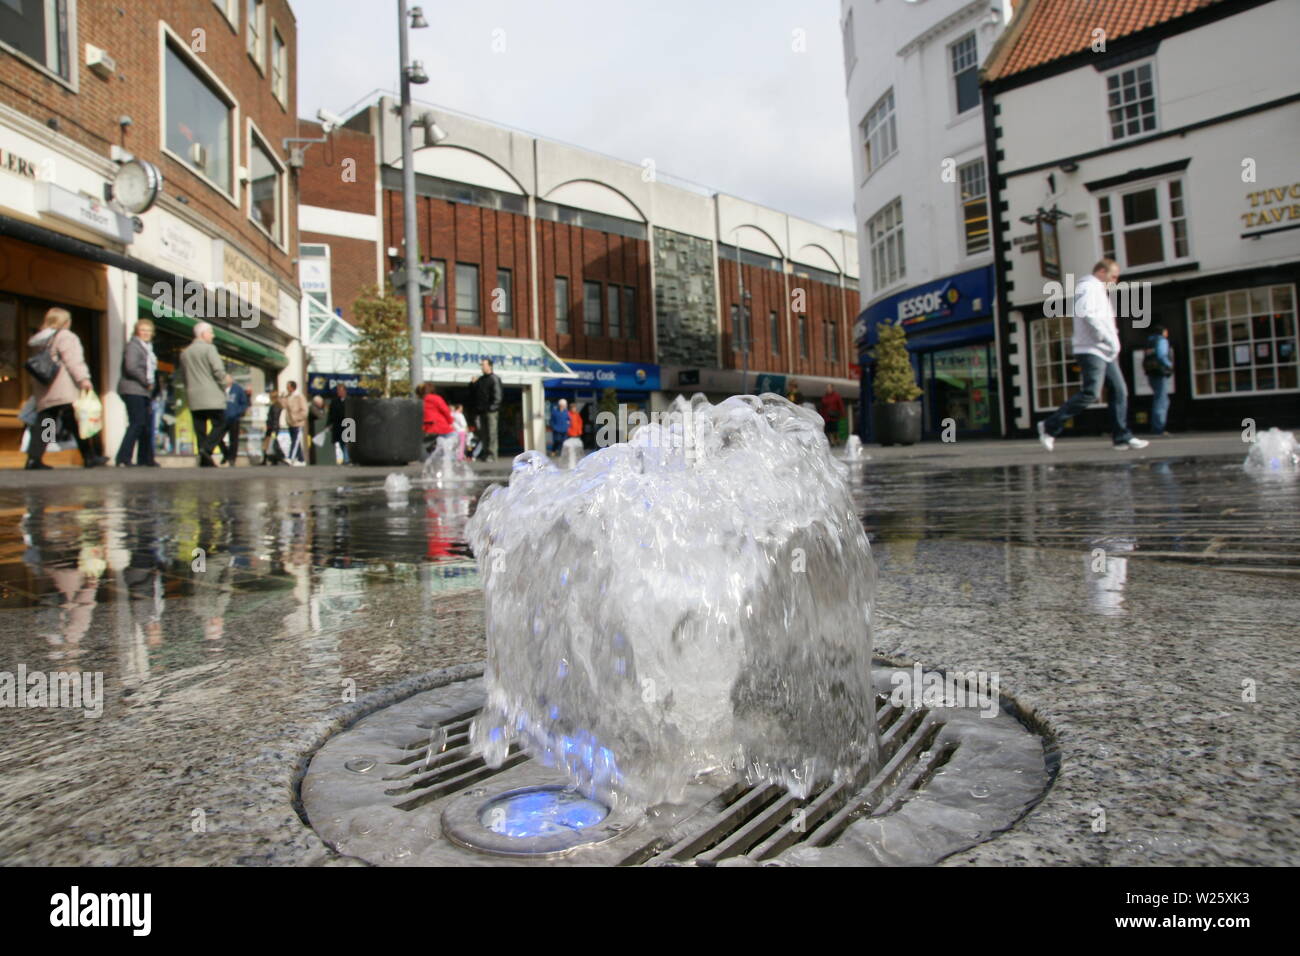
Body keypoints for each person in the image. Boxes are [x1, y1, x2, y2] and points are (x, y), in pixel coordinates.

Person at [1037, 258, 1149, 452]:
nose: (1115, 281)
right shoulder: (1088, 287)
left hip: (1104, 351)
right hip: (1091, 350)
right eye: (1113, 276)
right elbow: (1088, 314)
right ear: (1100, 272)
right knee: (1091, 392)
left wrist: (1110, 342)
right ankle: (1049, 426)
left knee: (1120, 391)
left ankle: (1122, 437)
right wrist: (1105, 338)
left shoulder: (1097, 289)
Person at [24, 307, 108, 469]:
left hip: (44, 386)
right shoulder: (66, 336)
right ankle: (89, 456)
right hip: (62, 385)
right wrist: (84, 379)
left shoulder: (40, 339)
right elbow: (73, 360)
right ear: (65, 322)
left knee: (47, 420)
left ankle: (34, 458)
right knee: (76, 421)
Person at [178, 321, 228, 467]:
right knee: (220, 423)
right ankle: (206, 449)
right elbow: (218, 370)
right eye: (211, 332)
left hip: (194, 395)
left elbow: (183, 375)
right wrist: (224, 384)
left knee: (200, 428)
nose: (213, 335)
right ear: (203, 334)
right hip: (211, 394)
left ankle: (203, 458)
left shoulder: (185, 353)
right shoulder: (209, 349)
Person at [115, 318, 159, 467]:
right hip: (133, 389)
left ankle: (146, 459)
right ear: (137, 331)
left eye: (149, 331)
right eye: (143, 330)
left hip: (143, 391)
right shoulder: (134, 346)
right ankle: (123, 458)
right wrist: (147, 381)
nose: (146, 333)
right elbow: (131, 367)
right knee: (137, 423)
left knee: (146, 425)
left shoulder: (147, 348)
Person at [471, 358, 503, 460]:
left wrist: (492, 407)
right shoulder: (481, 380)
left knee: (491, 433)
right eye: (481, 365)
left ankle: (492, 455)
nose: (482, 367)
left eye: (483, 365)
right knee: (483, 434)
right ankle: (485, 453)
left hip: (491, 411)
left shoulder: (494, 378)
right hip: (481, 411)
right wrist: (473, 384)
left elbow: (498, 395)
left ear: (490, 366)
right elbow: (475, 394)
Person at [1144, 324, 1174, 436]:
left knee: (1159, 398)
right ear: (1162, 332)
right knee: (1161, 400)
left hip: (1151, 371)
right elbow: (1161, 355)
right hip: (1160, 372)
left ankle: (1156, 426)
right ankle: (1159, 427)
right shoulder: (1161, 340)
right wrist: (1169, 365)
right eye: (1166, 331)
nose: (1167, 333)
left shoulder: (1149, 342)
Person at [219, 373, 249, 466]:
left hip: (234, 418)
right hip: (222, 418)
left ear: (231, 380)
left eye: (227, 379)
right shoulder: (220, 389)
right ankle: (226, 453)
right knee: (218, 438)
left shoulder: (237, 389)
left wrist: (238, 412)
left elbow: (244, 403)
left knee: (234, 439)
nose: (226, 381)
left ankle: (232, 458)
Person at [418, 382, 454, 456]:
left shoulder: (420, 400)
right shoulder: (436, 398)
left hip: (427, 427)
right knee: (450, 441)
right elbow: (445, 411)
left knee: (427, 445)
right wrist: (450, 421)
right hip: (440, 426)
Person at [281, 380, 308, 465]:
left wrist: (297, 418)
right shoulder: (288, 396)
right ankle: (301, 459)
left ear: (293, 387)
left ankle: (290, 457)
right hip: (290, 422)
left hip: (298, 422)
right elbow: (283, 406)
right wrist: (282, 397)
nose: (287, 388)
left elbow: (305, 410)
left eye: (288, 386)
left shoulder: (299, 396)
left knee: (295, 440)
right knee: (295, 440)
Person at [261, 386, 285, 465]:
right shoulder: (276, 406)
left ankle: (277, 458)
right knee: (269, 444)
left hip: (272, 428)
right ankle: (269, 459)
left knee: (270, 444)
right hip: (272, 428)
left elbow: (275, 419)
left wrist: (274, 430)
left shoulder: (275, 407)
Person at [328, 383, 351, 464]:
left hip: (348, 425)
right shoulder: (334, 402)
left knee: (347, 442)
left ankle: (347, 459)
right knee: (341, 442)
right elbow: (331, 414)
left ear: (345, 391)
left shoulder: (349, 401)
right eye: (338, 391)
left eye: (341, 391)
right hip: (338, 425)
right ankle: (346, 458)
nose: (339, 392)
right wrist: (329, 424)